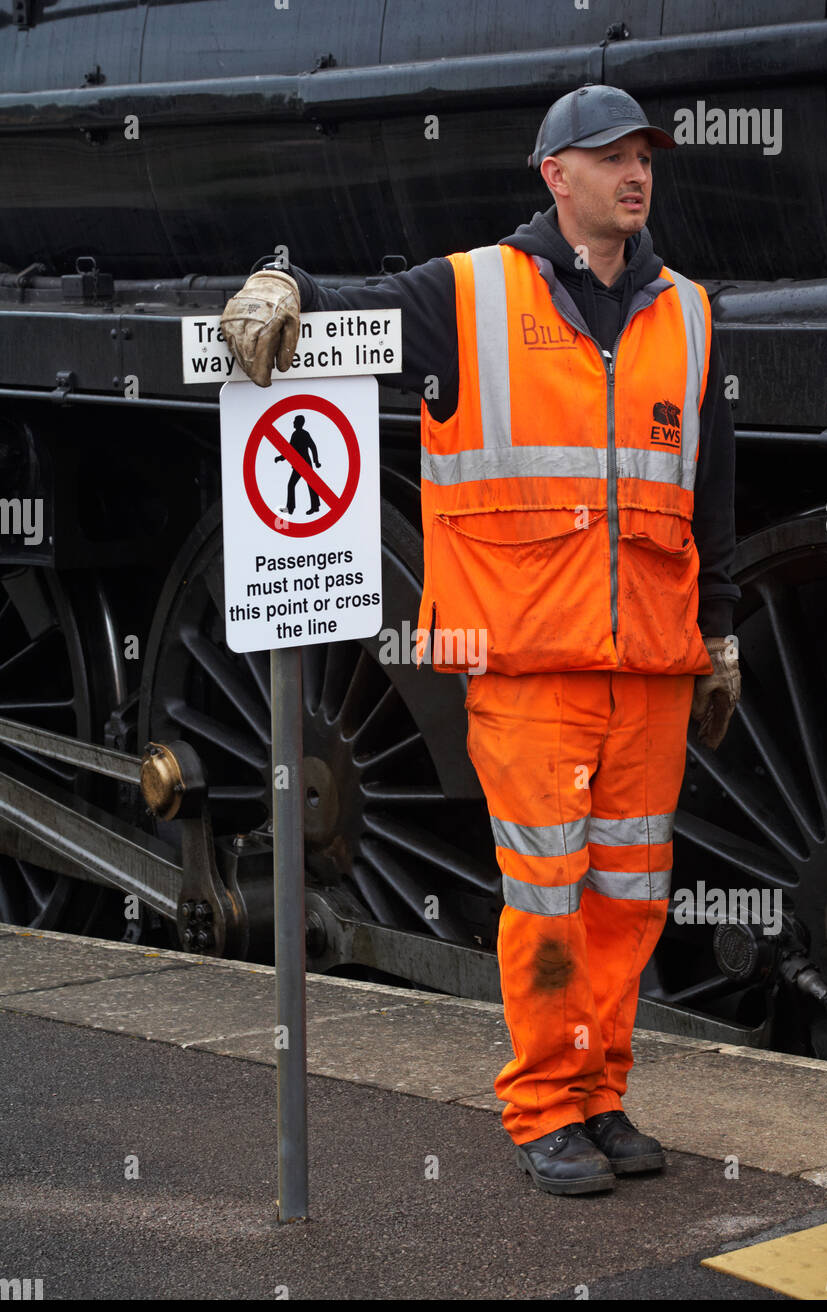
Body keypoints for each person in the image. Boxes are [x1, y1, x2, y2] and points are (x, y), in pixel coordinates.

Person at [221, 84, 742, 1198]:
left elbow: (713, 494)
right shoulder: (467, 294)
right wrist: (278, 280)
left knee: (629, 896)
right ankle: (543, 1103)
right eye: (606, 158)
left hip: (647, 669)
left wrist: (724, 633)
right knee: (547, 898)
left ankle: (600, 1092)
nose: (632, 174)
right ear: (553, 176)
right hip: (528, 668)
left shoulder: (688, 313)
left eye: (641, 156)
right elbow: (343, 301)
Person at [278, 415, 321, 515]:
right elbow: (289, 450)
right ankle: (292, 508)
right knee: (294, 485)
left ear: (298, 423)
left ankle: (314, 507)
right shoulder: (295, 434)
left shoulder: (303, 434)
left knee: (309, 484)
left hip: (304, 464)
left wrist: (316, 461)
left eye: (294, 421)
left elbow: (312, 446)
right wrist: (280, 458)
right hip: (298, 464)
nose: (293, 422)